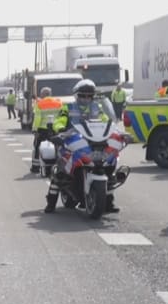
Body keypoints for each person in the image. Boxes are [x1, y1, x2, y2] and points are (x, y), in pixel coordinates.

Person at [45, 79, 119, 213]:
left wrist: (115, 130)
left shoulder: (98, 108)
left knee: (109, 166)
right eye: (82, 95)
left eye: (89, 96)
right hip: (71, 140)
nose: (86, 98)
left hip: (93, 141)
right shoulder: (67, 107)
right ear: (77, 95)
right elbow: (59, 121)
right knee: (60, 173)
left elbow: (106, 121)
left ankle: (108, 202)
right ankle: (51, 202)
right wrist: (60, 129)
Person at [30, 87, 64, 173]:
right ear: (50, 94)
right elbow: (62, 116)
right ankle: (57, 164)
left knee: (37, 146)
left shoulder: (40, 104)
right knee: (58, 146)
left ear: (43, 95)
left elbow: (37, 118)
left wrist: (35, 130)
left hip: (42, 129)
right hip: (55, 129)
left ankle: (35, 167)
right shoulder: (59, 103)